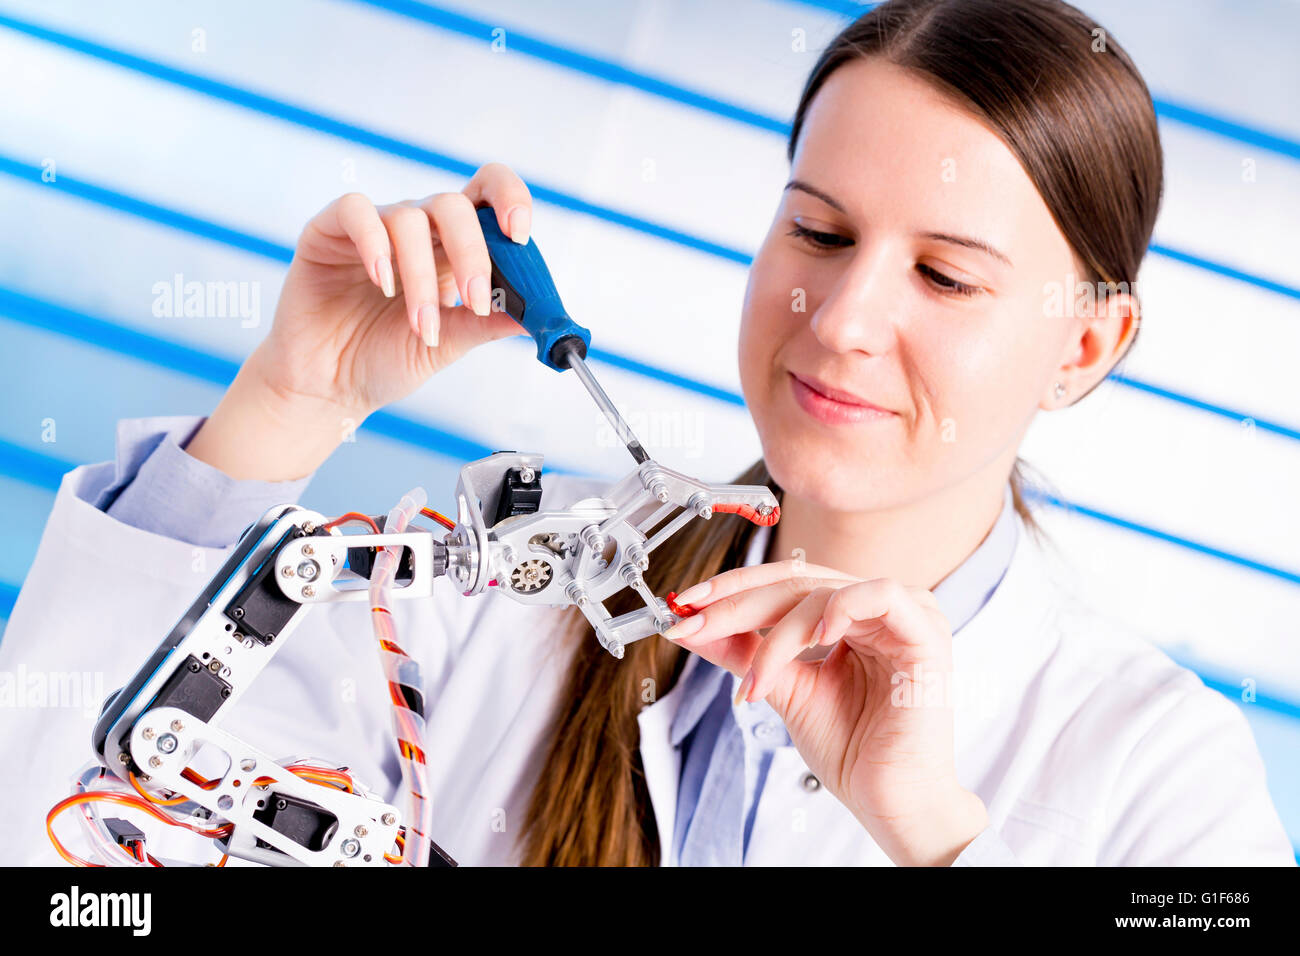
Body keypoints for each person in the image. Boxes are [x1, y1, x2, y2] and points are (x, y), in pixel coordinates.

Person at [0, 0, 1292, 867]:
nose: (841, 322)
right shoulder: (491, 585)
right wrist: (292, 400)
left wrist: (935, 836)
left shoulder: (1160, 773)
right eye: (819, 234)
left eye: (946, 278)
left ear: (1084, 346)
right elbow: (60, 835)